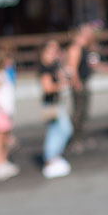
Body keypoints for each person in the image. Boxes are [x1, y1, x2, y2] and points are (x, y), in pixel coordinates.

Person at [38, 38, 72, 178]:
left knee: (60, 130)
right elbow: (47, 88)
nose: (55, 52)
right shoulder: (45, 68)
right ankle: (50, 158)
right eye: (52, 49)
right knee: (59, 130)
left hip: (56, 103)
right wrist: (61, 84)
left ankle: (54, 156)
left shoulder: (53, 66)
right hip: (51, 104)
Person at [65, 22, 98, 151]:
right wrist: (76, 84)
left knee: (83, 112)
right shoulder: (75, 48)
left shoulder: (84, 47)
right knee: (78, 113)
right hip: (79, 84)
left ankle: (80, 137)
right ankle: (75, 140)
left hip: (84, 82)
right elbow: (72, 68)